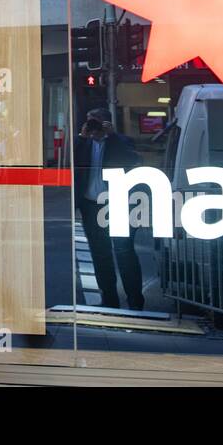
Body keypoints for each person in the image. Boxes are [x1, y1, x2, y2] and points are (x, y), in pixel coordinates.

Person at [73, 107, 145, 312]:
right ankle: (109, 300)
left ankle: (135, 302)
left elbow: (133, 159)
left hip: (119, 204)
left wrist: (111, 136)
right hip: (91, 205)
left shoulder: (120, 142)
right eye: (89, 121)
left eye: (96, 122)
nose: (92, 126)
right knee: (100, 253)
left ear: (107, 123)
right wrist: (82, 136)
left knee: (125, 252)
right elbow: (70, 160)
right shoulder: (83, 143)